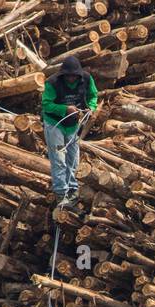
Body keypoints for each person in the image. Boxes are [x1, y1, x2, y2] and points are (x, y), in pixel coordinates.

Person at [42, 54, 98, 205]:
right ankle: (61, 192)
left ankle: (73, 190)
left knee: (73, 157)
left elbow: (93, 96)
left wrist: (91, 108)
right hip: (55, 123)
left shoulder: (86, 79)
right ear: (63, 75)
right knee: (59, 158)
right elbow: (46, 104)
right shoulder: (52, 83)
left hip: (73, 125)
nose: (71, 79)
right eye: (68, 76)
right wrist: (65, 109)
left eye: (74, 76)